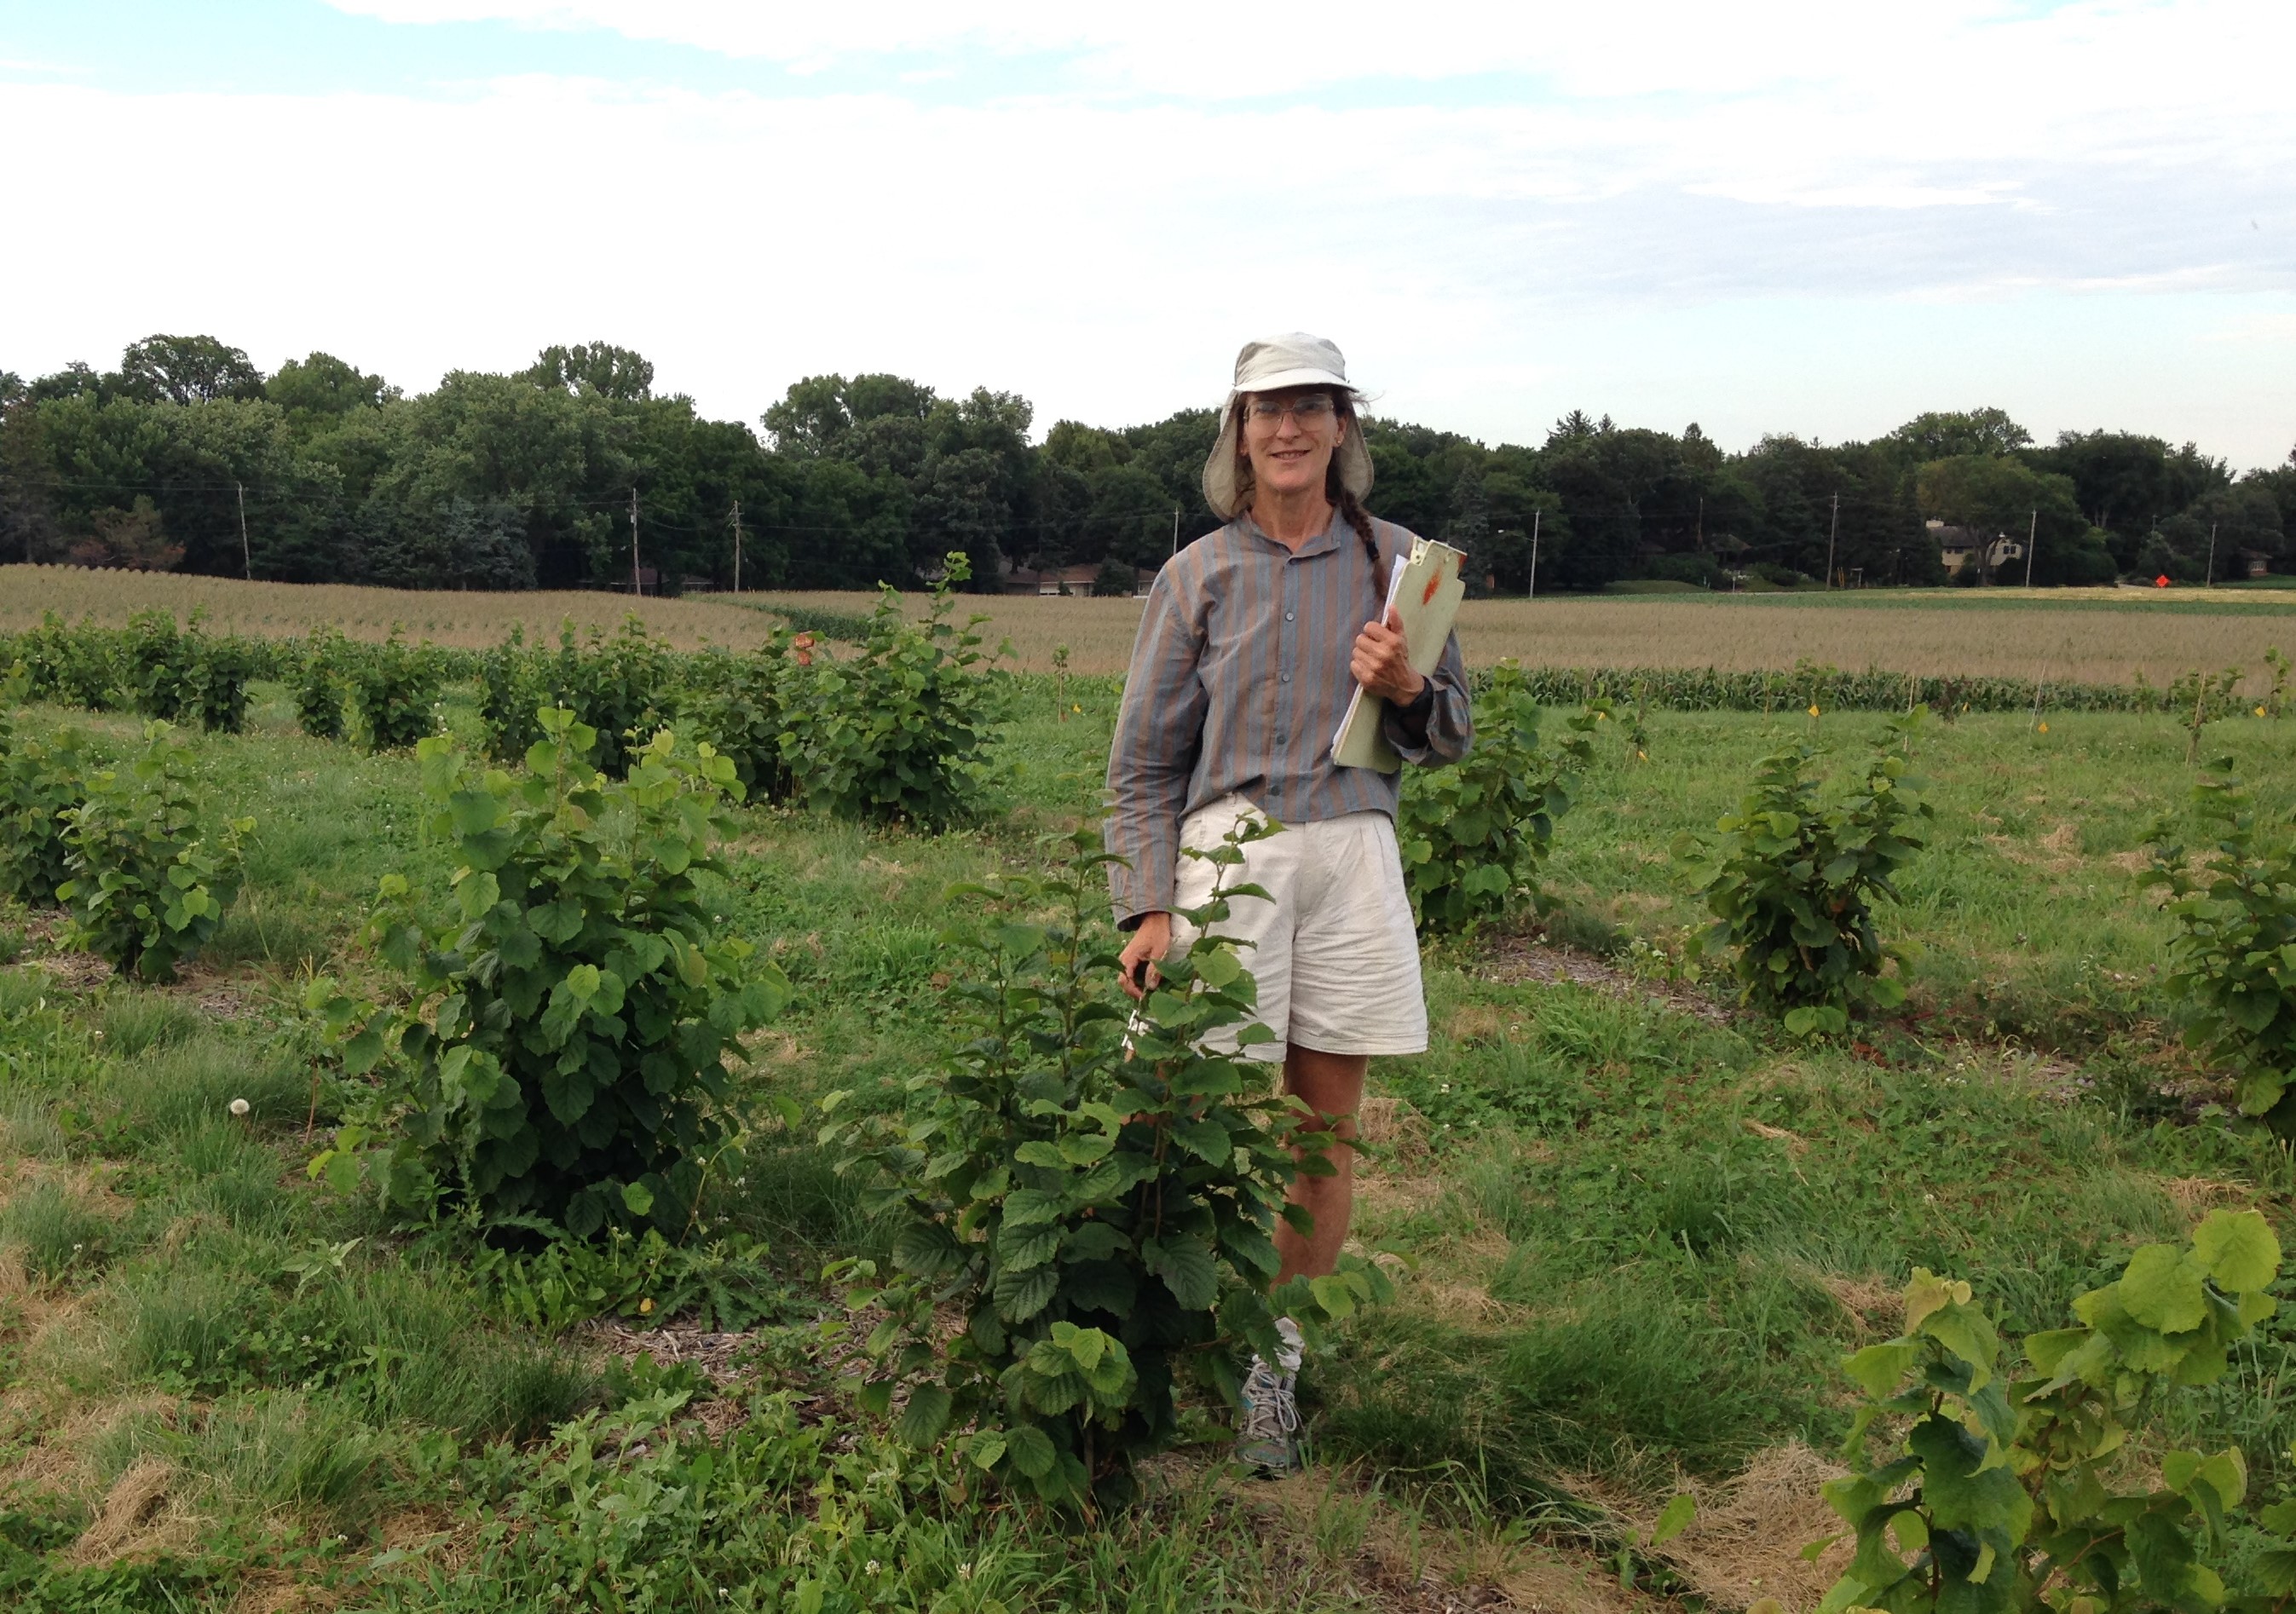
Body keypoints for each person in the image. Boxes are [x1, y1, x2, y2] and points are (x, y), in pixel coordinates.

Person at [1102, 331, 1473, 1470]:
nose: (1287, 428)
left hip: (1354, 849)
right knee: (1170, 1110)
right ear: (1238, 432)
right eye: (1265, 410)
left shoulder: (1405, 563)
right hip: (1231, 853)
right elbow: (1141, 763)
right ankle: (1131, 1340)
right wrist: (1147, 906)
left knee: (1323, 1124)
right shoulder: (1198, 575)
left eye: (1309, 406)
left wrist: (1407, 688)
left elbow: (1450, 732)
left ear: (1341, 426)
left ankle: (1273, 1364)